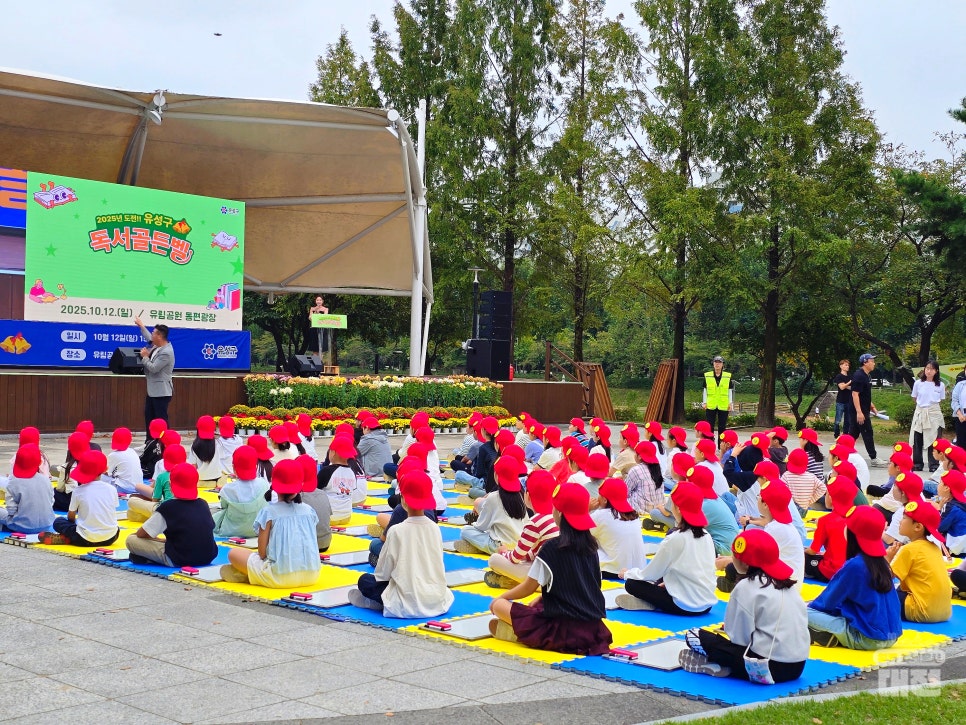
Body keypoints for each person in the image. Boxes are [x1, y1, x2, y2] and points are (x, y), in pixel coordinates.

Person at [488, 482, 613, 655]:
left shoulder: (552, 547)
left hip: (561, 632)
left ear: (560, 513)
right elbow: (589, 587)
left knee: (500, 606)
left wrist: (499, 599)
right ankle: (524, 632)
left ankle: (523, 634)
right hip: (594, 631)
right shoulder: (591, 547)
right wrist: (542, 597)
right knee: (537, 604)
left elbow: (527, 588)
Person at [680, 529, 808, 682]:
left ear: (743, 562)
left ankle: (724, 666)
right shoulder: (787, 585)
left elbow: (739, 639)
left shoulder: (746, 586)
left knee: (693, 635)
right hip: (797, 667)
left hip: (766, 668)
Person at [348, 471, 454, 617]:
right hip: (436, 598)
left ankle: (377, 603)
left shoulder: (396, 531)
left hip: (407, 602)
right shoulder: (435, 528)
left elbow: (382, 574)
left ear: (403, 499)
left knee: (365, 580)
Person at [807, 505, 902, 649]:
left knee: (800, 612)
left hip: (867, 638)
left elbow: (826, 602)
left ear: (851, 533)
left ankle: (839, 636)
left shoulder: (855, 565)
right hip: (892, 636)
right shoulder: (882, 562)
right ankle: (832, 636)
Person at [616, 481, 717, 615]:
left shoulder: (675, 538)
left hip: (684, 606)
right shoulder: (707, 535)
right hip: (707, 604)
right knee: (659, 580)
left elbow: (650, 573)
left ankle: (653, 604)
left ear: (678, 508)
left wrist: (627, 573)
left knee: (631, 583)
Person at [221, 459, 322, 587]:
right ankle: (249, 575)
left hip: (278, 577)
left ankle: (247, 574)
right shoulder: (309, 511)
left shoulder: (269, 512)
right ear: (300, 483)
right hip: (312, 575)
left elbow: (262, 553)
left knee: (233, 553)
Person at [126, 463, 218, 567]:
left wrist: (156, 539)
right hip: (208, 556)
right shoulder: (203, 504)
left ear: (170, 485)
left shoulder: (168, 507)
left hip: (179, 558)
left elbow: (142, 534)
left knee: (131, 540)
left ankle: (149, 558)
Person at [485, 469, 559, 588]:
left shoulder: (535, 522)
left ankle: (523, 584)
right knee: (526, 560)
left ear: (528, 495)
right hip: (561, 575)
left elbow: (515, 558)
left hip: (545, 580)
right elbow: (538, 552)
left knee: (494, 559)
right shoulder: (556, 516)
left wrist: (504, 553)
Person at [886, 500, 952, 623]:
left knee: (879, 597)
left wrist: (887, 559)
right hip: (945, 612)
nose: (900, 521)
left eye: (904, 518)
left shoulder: (909, 549)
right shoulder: (934, 547)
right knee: (900, 588)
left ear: (917, 527)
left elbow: (884, 578)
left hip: (921, 611)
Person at [40, 450, 119, 547]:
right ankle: (71, 537)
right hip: (111, 537)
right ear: (105, 469)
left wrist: (73, 525)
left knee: (58, 522)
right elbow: (112, 510)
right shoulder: (112, 489)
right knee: (115, 527)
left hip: (84, 539)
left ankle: (67, 537)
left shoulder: (78, 491)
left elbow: (71, 516)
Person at [454, 456, 528, 554]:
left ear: (496, 475)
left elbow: (481, 526)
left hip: (500, 545)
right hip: (520, 546)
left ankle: (481, 548)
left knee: (465, 530)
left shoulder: (494, 497)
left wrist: (475, 523)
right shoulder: (521, 495)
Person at [591, 478, 647, 579]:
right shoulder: (633, 514)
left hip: (614, 571)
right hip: (638, 570)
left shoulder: (601, 515)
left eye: (600, 495)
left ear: (604, 499)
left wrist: (587, 510)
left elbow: (578, 531)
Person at [804, 476, 855, 582]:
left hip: (832, 571)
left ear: (831, 497)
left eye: (827, 493)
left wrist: (802, 551)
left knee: (803, 556)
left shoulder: (825, 520)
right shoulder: (859, 515)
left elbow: (813, 550)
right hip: (855, 571)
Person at [213, 446, 271, 539]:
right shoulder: (264, 484)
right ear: (256, 466)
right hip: (258, 530)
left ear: (233, 467)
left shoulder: (228, 489)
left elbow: (224, 506)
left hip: (231, 530)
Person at [134, 316, 175, 437]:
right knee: (149, 418)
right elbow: (148, 337)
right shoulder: (158, 345)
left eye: (153, 333)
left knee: (161, 421)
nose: (151, 335)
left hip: (162, 393)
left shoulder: (167, 352)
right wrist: (141, 326)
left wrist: (145, 357)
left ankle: (165, 443)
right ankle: (150, 443)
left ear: (160, 336)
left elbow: (154, 368)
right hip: (152, 391)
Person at [126, 443, 188, 523]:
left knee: (132, 503)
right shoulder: (189, 472)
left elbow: (155, 499)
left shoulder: (162, 476)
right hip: (185, 510)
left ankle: (159, 521)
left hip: (165, 510)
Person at [0, 444, 55, 533]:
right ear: (40, 463)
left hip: (22, 526)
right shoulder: (46, 480)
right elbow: (51, 501)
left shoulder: (13, 481)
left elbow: (11, 510)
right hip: (47, 524)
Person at [910, 360, 947, 472]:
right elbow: (914, 398)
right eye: (927, 368)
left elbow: (940, 399)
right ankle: (917, 463)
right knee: (917, 439)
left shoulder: (940, 385)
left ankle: (933, 464)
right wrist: (922, 408)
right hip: (920, 412)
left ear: (936, 371)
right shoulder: (918, 383)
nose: (929, 371)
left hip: (933, 413)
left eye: (931, 369)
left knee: (934, 439)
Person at [849, 353, 884, 467]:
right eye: (871, 361)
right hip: (858, 411)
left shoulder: (866, 375)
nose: (873, 363)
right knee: (867, 433)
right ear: (865, 362)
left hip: (864, 408)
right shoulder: (859, 375)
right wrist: (859, 412)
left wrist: (871, 406)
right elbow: (855, 394)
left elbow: (864, 395)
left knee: (852, 435)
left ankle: (841, 455)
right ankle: (873, 458)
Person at [703, 355, 734, 442]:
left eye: (719, 363)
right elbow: (705, 390)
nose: (717, 364)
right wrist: (704, 402)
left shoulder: (727, 376)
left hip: (723, 404)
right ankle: (710, 443)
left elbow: (729, 390)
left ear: (722, 365)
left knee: (722, 427)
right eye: (716, 362)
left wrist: (730, 403)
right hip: (711, 403)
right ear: (713, 364)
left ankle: (721, 446)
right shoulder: (707, 375)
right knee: (710, 426)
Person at [832, 359, 853, 438]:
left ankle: (845, 435)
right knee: (838, 420)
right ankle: (836, 435)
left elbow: (852, 388)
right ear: (841, 366)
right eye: (845, 365)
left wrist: (846, 385)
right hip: (840, 401)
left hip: (849, 401)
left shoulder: (850, 376)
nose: (847, 366)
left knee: (848, 420)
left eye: (848, 365)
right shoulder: (839, 376)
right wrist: (849, 383)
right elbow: (841, 387)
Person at [952, 365, 966, 446]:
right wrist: (960, 414)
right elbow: (954, 401)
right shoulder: (960, 385)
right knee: (961, 444)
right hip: (961, 417)